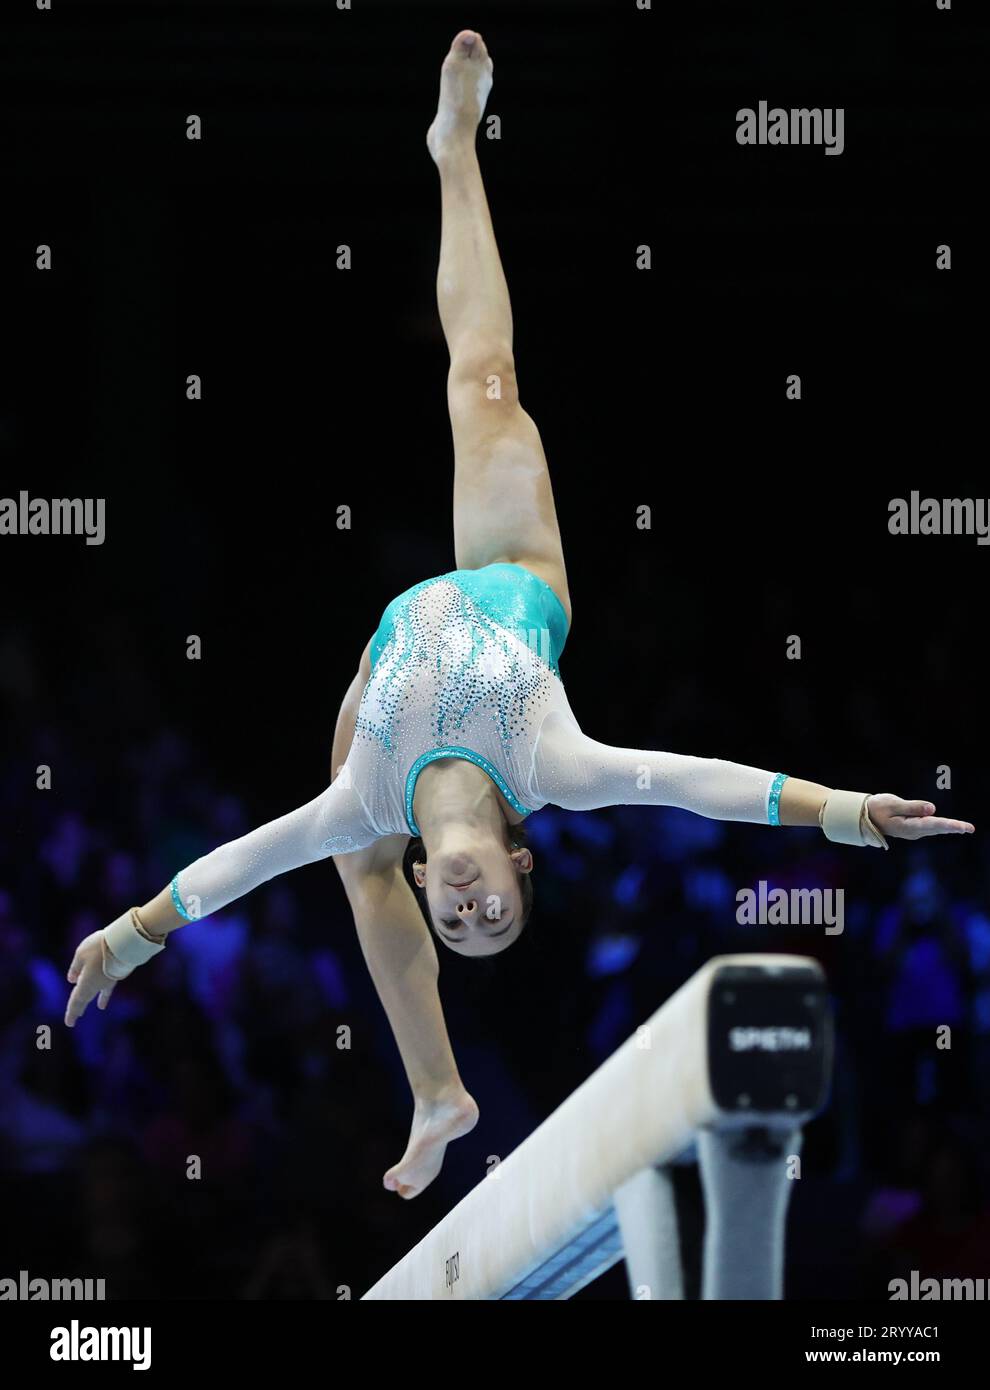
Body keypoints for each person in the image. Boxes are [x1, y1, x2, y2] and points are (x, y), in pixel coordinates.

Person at [63, 31, 975, 1198]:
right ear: (516, 853)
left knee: (349, 854)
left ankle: (435, 1087)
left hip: (378, 681)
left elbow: (231, 869)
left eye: (464, 929)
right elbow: (701, 782)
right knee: (481, 371)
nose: (471, 908)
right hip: (508, 572)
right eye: (497, 908)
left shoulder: (370, 797)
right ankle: (456, 147)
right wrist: (850, 812)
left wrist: (131, 934)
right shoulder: (552, 761)